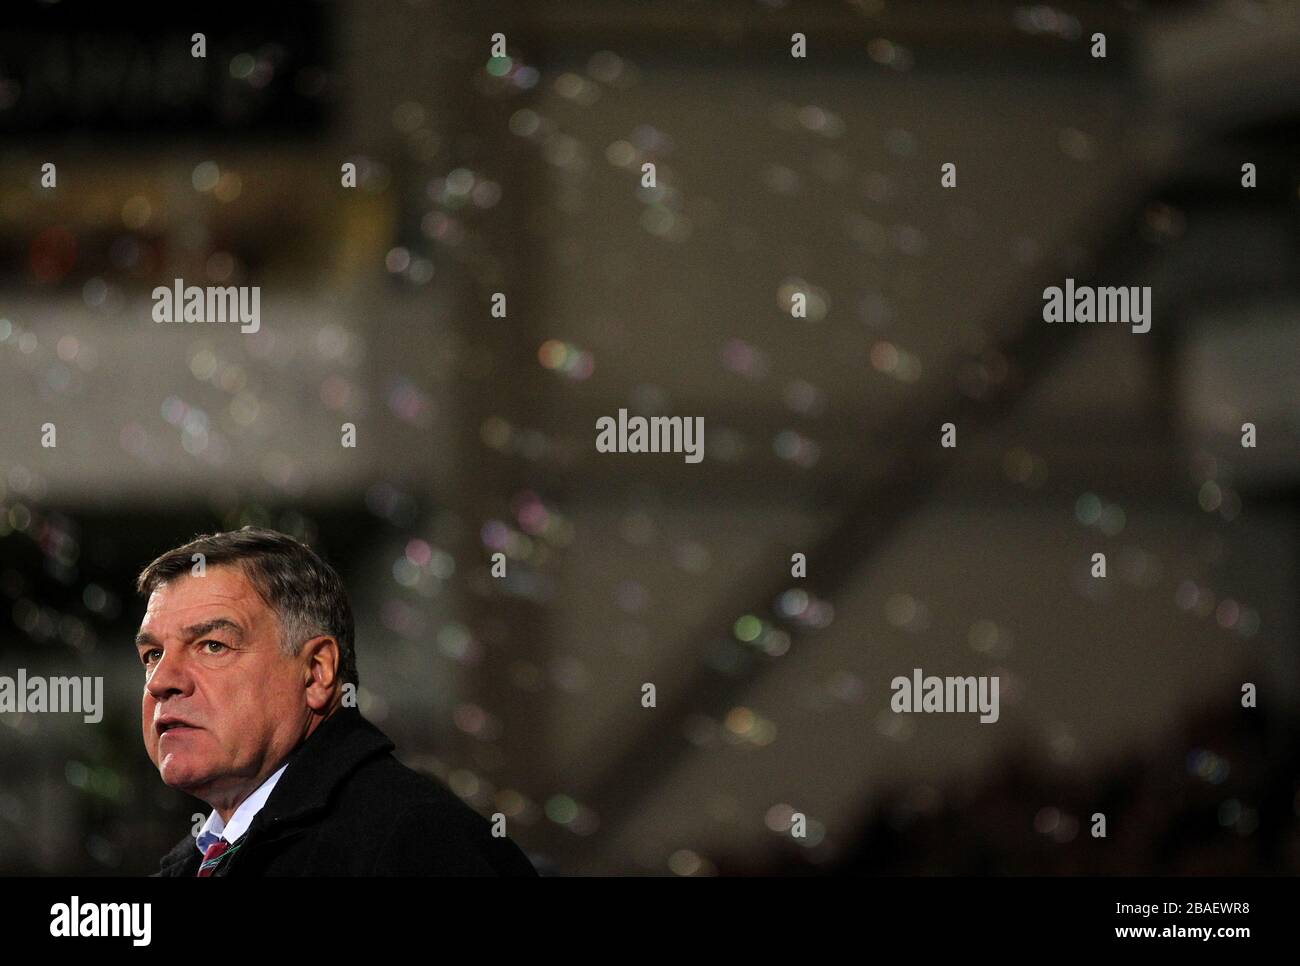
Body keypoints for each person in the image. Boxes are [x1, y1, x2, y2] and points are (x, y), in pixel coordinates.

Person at [135, 526, 537, 876]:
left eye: (212, 645)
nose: (161, 682)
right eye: (153, 654)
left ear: (317, 671)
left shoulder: (418, 844)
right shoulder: (193, 864)